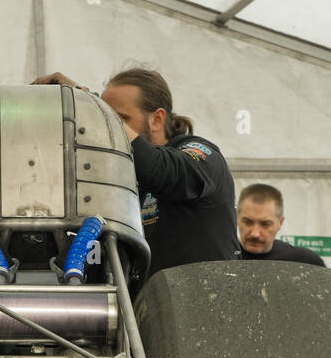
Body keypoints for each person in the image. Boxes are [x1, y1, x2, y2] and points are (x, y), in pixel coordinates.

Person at [34, 67, 238, 279]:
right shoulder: (119, 176)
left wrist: (87, 102)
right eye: (105, 119)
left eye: (118, 119)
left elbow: (160, 170)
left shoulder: (200, 154)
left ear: (157, 120)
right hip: (148, 307)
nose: (106, 128)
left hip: (206, 306)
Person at [235, 183, 325, 266]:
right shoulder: (223, 257)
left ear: (280, 223)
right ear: (237, 218)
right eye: (247, 222)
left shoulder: (305, 262)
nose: (255, 234)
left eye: (265, 224)